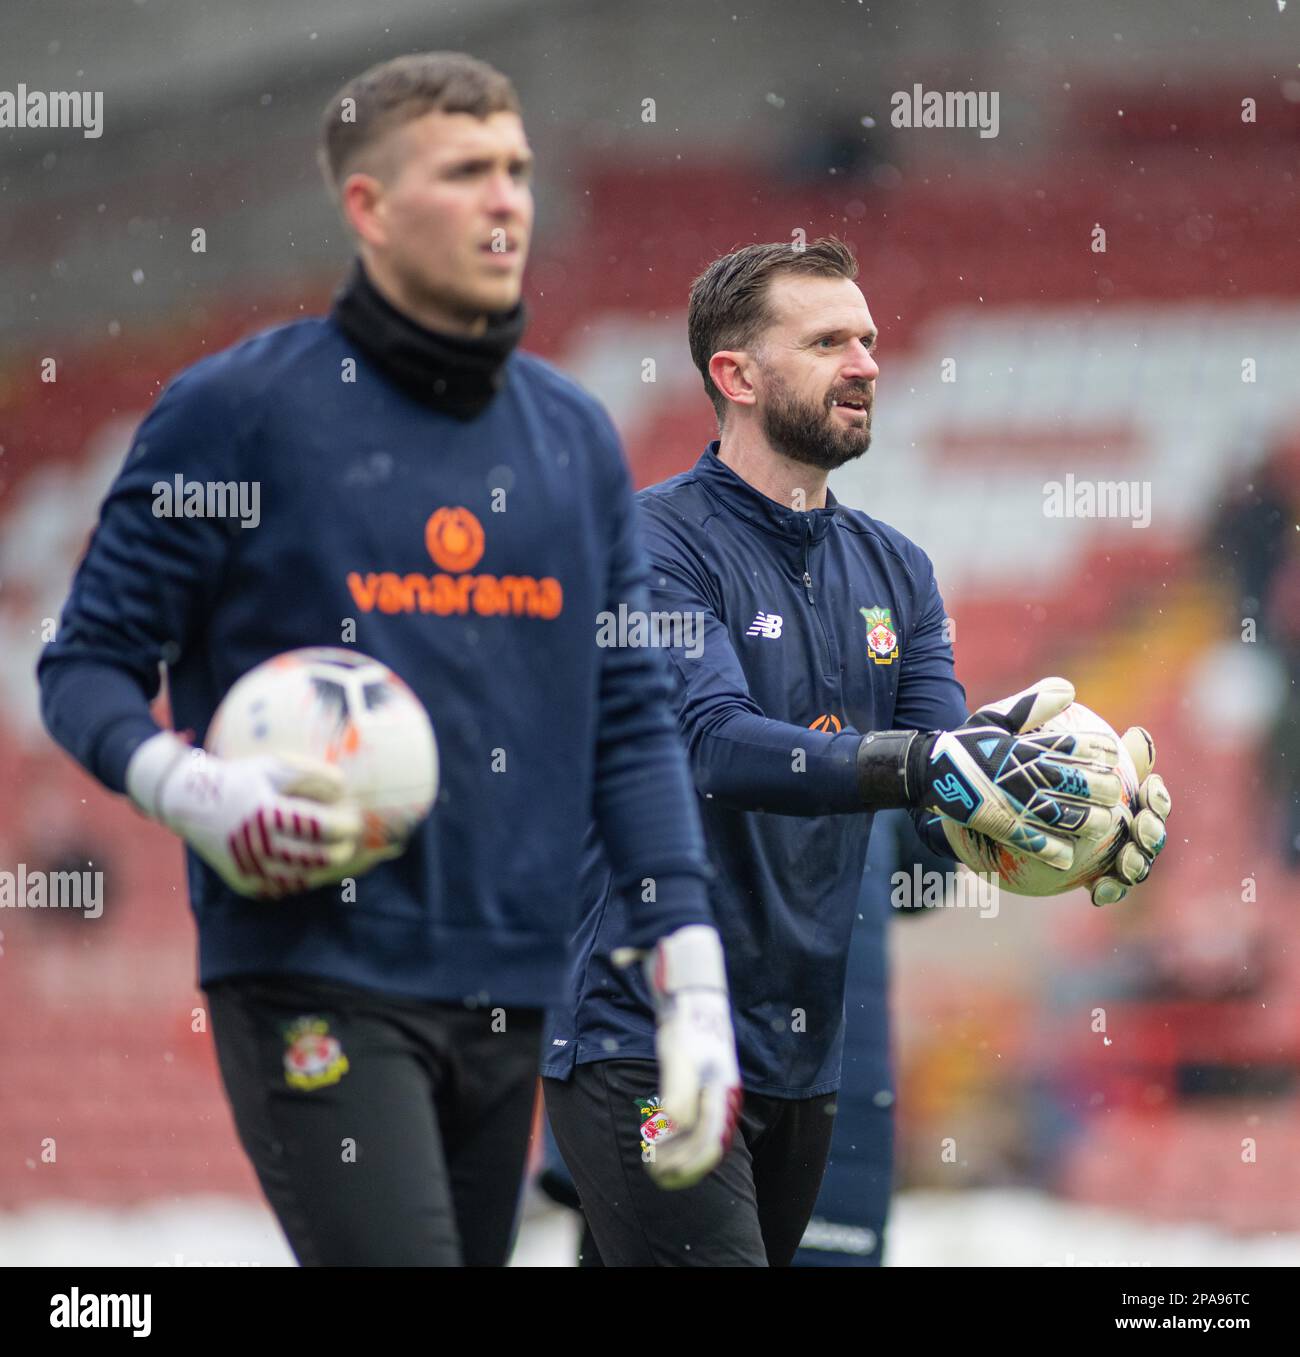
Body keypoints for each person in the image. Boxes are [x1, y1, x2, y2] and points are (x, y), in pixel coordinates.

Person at [36, 51, 740, 1267]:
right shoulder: (236, 413)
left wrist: (692, 967)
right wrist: (189, 787)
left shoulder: (571, 436)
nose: (506, 199)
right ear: (366, 207)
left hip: (509, 978)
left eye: (516, 169)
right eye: (465, 172)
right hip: (313, 969)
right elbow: (85, 664)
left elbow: (629, 716)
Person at [542, 237, 1172, 1267]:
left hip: (803, 1053)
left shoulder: (900, 568)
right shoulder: (651, 545)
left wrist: (1070, 824)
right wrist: (928, 763)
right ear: (734, 376)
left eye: (870, 340)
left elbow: (933, 816)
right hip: (643, 1034)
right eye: (828, 339)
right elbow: (718, 748)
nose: (867, 363)